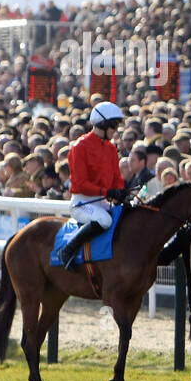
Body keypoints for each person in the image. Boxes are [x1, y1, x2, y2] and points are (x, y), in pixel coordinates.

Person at [60, 101, 128, 267]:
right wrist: (108, 191)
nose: (116, 131)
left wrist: (121, 192)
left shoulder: (111, 148)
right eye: (113, 126)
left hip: (102, 201)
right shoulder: (80, 146)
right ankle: (68, 250)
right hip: (82, 202)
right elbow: (81, 184)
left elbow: (116, 178)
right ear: (102, 124)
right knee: (104, 221)